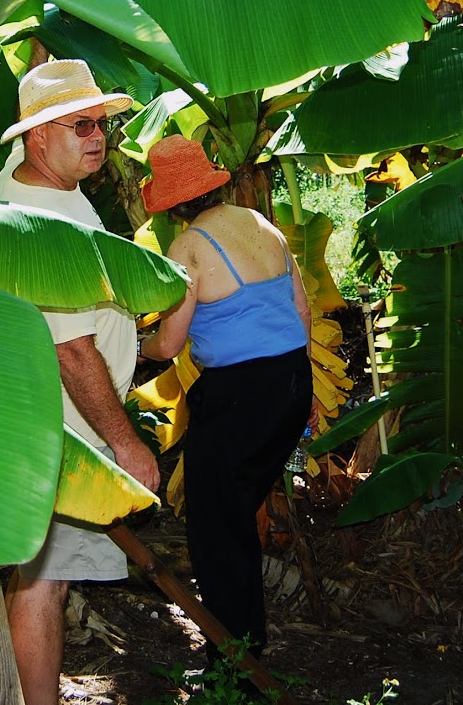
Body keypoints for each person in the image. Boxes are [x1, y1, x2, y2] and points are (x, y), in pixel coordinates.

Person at [0, 58, 158, 705]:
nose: (99, 137)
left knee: (44, 576)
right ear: (37, 136)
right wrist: (124, 443)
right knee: (43, 579)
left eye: (101, 124)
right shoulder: (37, 217)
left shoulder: (41, 183)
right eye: (80, 124)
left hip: (64, 421)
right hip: (66, 427)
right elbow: (72, 352)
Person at [141, 134, 313, 659]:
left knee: (217, 524)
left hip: (240, 393)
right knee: (235, 512)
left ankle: (234, 659)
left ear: (170, 204)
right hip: (290, 383)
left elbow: (170, 343)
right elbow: (302, 316)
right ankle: (244, 646)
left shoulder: (188, 247)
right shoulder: (262, 225)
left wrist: (129, 341)